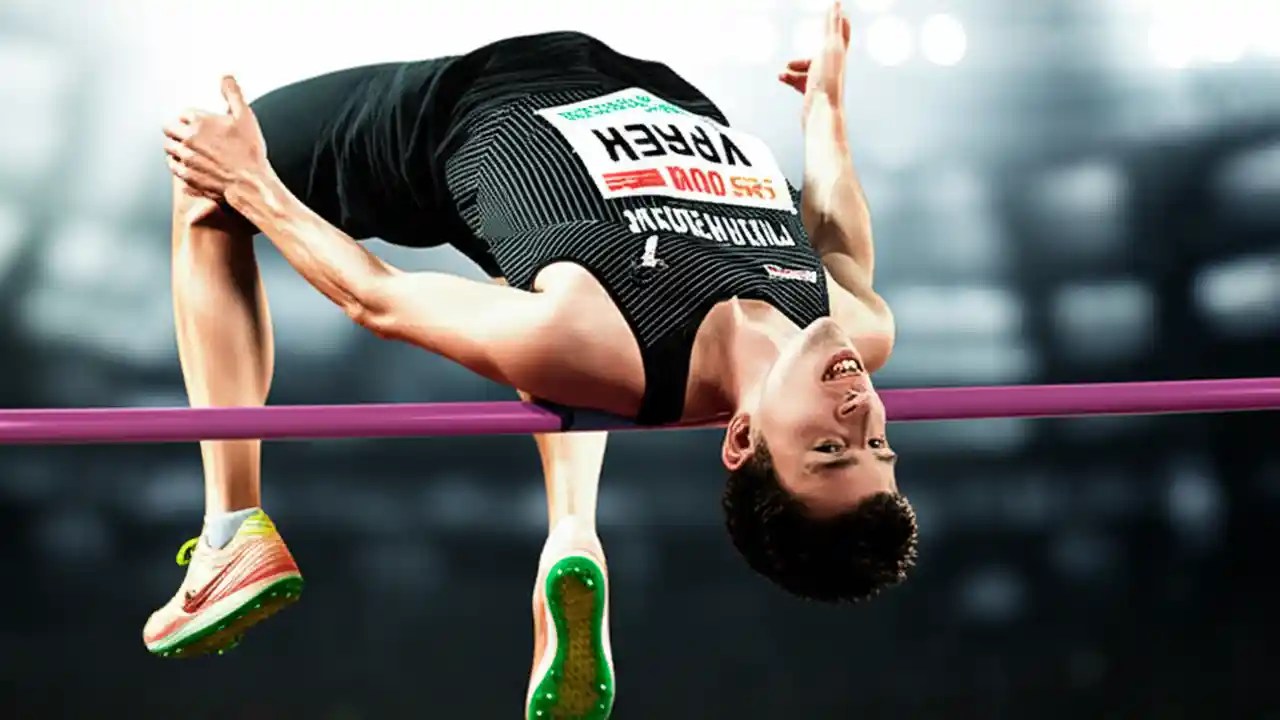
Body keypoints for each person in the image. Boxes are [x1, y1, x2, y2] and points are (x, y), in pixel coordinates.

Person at [152, 1, 918, 715]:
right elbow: (840, 242)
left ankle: (232, 529)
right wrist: (826, 110)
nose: (859, 413)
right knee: (555, 334)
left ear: (743, 437)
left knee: (205, 192)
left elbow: (375, 297)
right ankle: (572, 529)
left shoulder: (594, 338)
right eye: (877, 444)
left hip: (466, 107)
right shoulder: (855, 325)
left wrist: (247, 181)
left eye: (827, 448)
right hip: (656, 96)